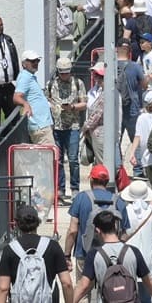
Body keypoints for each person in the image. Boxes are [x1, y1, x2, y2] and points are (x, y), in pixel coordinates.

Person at [74, 208, 152, 303]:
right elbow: (148, 281)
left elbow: (84, 285)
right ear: (115, 227)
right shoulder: (133, 251)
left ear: (98, 230)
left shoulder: (94, 255)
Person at [0, 203, 72, 303]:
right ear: (37, 222)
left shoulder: (10, 249)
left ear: (16, 223)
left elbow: (3, 288)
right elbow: (66, 283)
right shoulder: (52, 246)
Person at [64, 164, 126, 279]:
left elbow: (72, 231)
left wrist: (67, 255)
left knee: (83, 291)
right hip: (111, 256)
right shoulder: (118, 201)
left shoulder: (81, 198)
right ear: (107, 181)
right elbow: (124, 234)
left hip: (84, 253)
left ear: (91, 180)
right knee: (108, 290)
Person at [49, 55, 88, 205]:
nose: (64, 75)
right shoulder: (51, 84)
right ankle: (60, 189)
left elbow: (84, 103)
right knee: (58, 160)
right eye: (62, 72)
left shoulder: (78, 83)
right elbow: (47, 99)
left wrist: (71, 107)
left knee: (73, 159)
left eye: (67, 72)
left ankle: (75, 188)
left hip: (73, 126)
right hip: (57, 126)